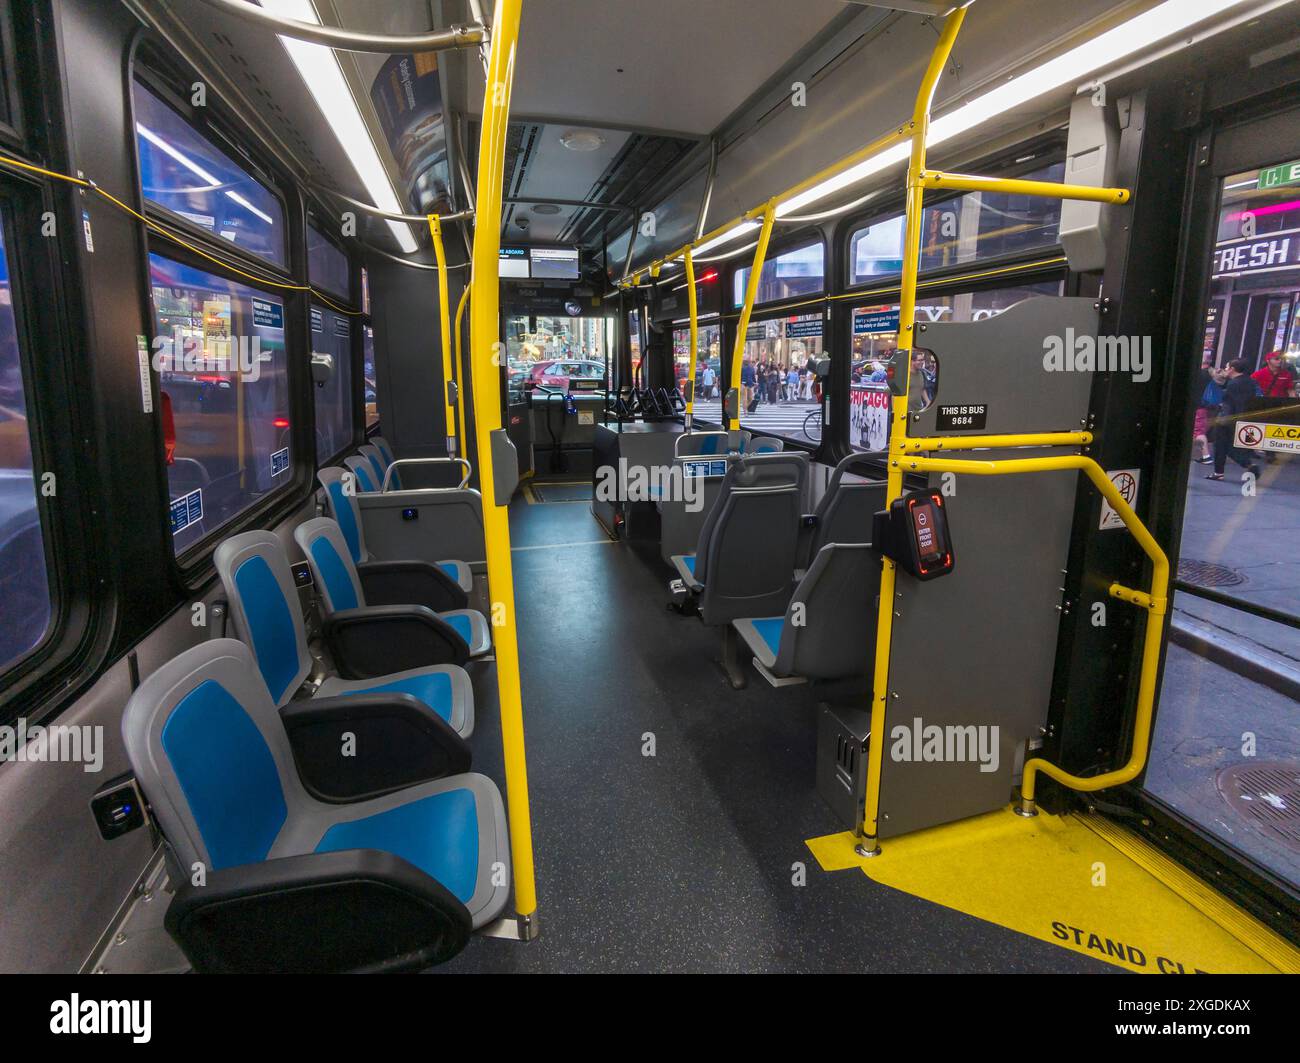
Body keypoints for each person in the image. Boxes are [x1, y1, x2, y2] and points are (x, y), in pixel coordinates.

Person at [1208, 358, 1262, 482]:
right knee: (1230, 446)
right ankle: (1248, 465)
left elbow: (1228, 403)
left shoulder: (1233, 384)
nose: (1225, 370)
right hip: (1244, 418)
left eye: (1227, 367)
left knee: (1220, 445)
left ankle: (1219, 472)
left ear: (1232, 369)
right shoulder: (1250, 382)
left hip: (1228, 418)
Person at [1193, 357, 1223, 465]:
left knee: (1199, 432)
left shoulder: (1201, 374)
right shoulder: (1213, 374)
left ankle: (1206, 456)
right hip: (1210, 407)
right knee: (1200, 430)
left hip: (1199, 406)